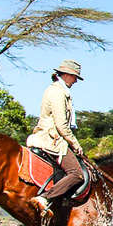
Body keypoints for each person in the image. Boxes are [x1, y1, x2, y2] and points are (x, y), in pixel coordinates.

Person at [27, 59, 87, 217]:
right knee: (77, 174)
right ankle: (45, 198)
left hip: (52, 137)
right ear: (67, 75)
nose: (75, 81)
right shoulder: (58, 92)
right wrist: (75, 144)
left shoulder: (58, 90)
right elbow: (61, 125)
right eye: (75, 77)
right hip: (52, 140)